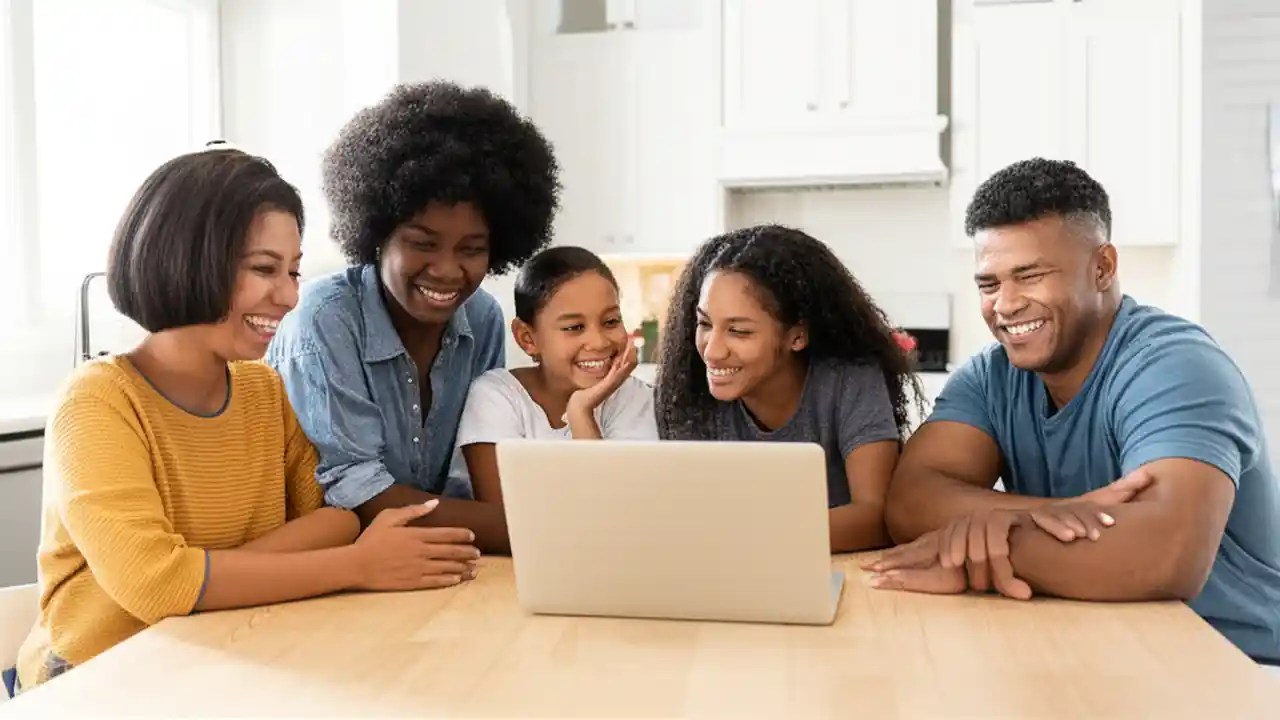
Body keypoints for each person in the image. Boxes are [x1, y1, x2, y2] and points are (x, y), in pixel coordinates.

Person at [14, 149, 479, 692]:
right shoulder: (97, 402)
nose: (288, 295)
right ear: (185, 258)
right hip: (96, 680)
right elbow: (154, 585)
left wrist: (200, 574)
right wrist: (355, 567)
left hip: (222, 651)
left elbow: (337, 522)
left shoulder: (262, 391)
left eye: (293, 270)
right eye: (264, 269)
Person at [866, 157, 1280, 666]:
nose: (1005, 304)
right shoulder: (991, 375)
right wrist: (1050, 515)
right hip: (1099, 645)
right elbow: (910, 501)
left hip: (1238, 665)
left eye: (1030, 276)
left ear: (1102, 267)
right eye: (989, 284)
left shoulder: (1176, 366)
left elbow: (1165, 557)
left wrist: (989, 550)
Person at [266, 81, 560, 554]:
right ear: (377, 234)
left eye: (472, 249)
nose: (446, 270)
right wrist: (547, 529)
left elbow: (469, 470)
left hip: (427, 562)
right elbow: (359, 497)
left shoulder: (481, 316)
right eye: (422, 243)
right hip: (319, 568)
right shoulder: (324, 321)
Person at [655, 225, 923, 552]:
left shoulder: (849, 379)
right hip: (728, 572)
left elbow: (878, 518)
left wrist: (746, 537)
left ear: (797, 336)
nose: (712, 350)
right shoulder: (690, 390)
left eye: (739, 331)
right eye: (705, 324)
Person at [449, 246, 657, 510]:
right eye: (574, 328)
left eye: (611, 321)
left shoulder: (635, 397)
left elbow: (617, 512)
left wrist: (581, 412)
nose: (598, 341)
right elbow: (507, 519)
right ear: (527, 338)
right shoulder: (496, 396)